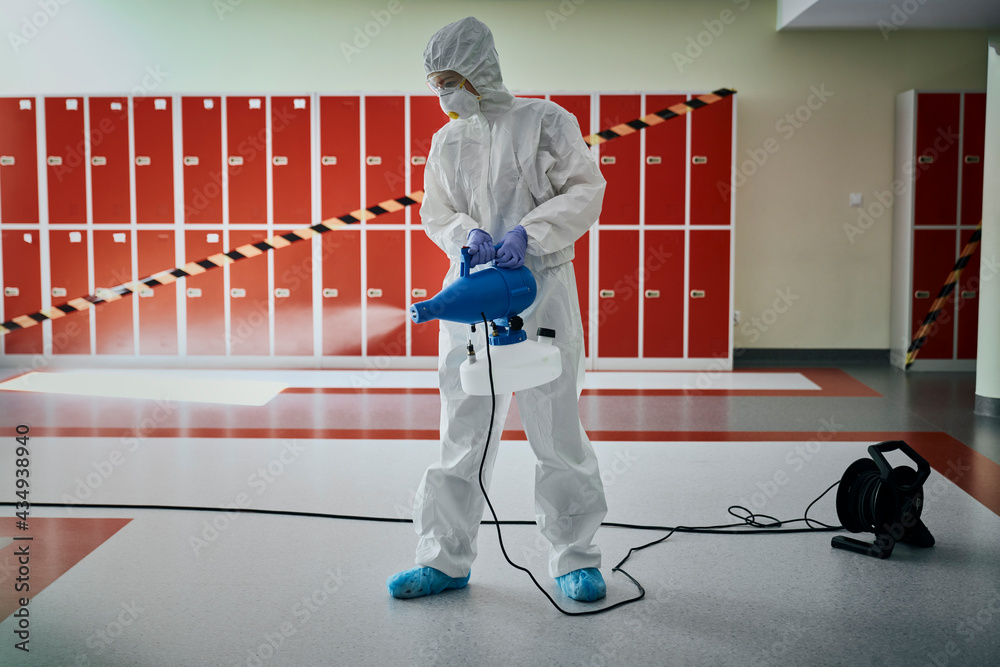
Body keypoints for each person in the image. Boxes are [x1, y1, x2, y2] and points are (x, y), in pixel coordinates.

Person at [387, 16, 608, 603]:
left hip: (541, 286)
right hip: (474, 286)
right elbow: (436, 211)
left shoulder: (546, 122)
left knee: (555, 428)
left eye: (451, 80)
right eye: (436, 84)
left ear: (480, 70)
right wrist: (468, 236)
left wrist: (528, 235)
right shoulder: (447, 141)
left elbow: (586, 190)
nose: (444, 95)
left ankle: (576, 557)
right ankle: (443, 558)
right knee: (463, 428)